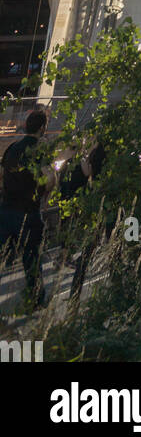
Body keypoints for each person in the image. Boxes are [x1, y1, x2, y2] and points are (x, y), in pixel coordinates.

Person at [0, 108, 56, 306]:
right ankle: (37, 302)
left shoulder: (12, 148)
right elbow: (50, 178)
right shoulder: (39, 150)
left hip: (6, 211)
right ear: (42, 128)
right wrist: (45, 193)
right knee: (31, 261)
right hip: (29, 213)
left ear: (26, 126)